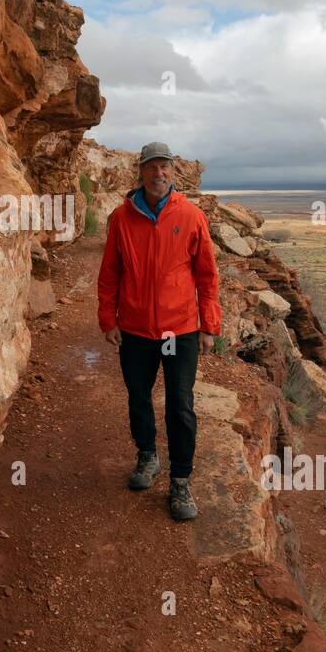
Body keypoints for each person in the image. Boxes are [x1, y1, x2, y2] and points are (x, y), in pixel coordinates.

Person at [97, 142, 222, 520]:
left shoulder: (191, 215)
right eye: (151, 168)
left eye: (164, 167)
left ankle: (181, 481)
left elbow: (206, 275)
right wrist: (109, 319)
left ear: (172, 172)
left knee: (180, 406)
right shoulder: (122, 217)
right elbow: (110, 273)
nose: (158, 174)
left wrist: (209, 325)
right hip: (135, 329)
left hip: (178, 330)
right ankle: (147, 457)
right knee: (138, 398)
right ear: (141, 172)